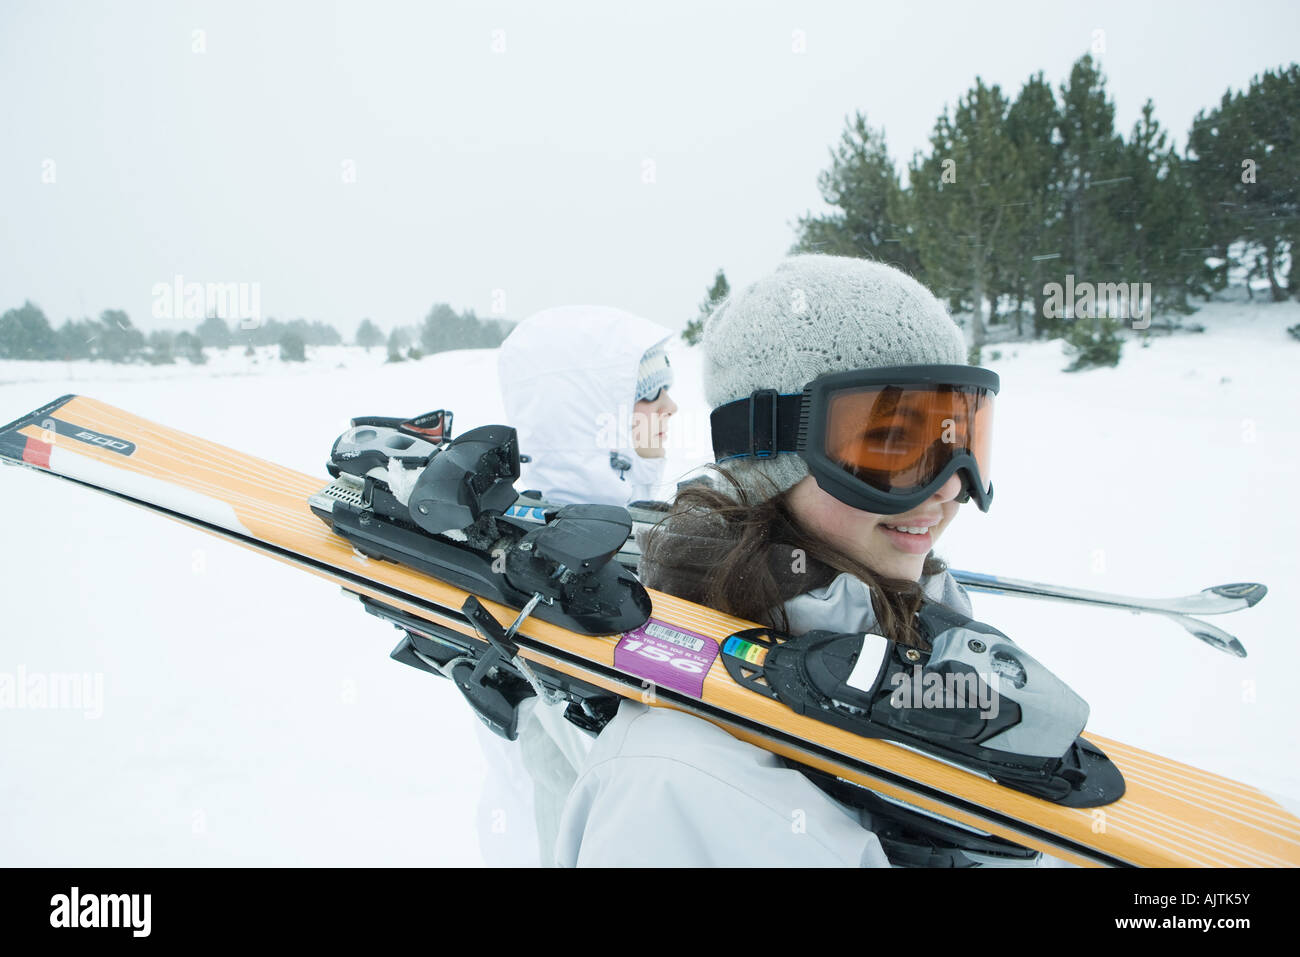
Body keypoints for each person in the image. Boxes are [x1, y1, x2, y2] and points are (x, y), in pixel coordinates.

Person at [552, 254, 1044, 867]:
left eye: (959, 440)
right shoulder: (672, 786)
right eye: (893, 443)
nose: (948, 489)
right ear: (771, 455)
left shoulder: (929, 640)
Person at [475, 304, 679, 866]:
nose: (670, 405)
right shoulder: (550, 572)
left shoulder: (625, 531)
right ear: (595, 413)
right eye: (650, 390)